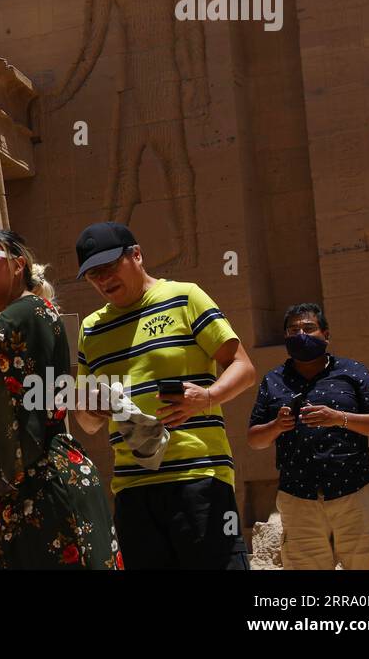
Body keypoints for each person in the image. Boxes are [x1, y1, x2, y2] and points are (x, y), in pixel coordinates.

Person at [0, 229, 122, 569]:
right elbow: (23, 410)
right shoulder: (10, 324)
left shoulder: (30, 311)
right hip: (11, 490)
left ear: (18, 265)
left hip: (44, 484)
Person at [73, 221, 258, 569]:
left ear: (137, 255)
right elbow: (86, 423)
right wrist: (91, 410)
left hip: (198, 480)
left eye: (110, 267)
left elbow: (243, 368)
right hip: (131, 489)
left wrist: (207, 396)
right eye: (93, 274)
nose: (103, 279)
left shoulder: (185, 297)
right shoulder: (90, 329)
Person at [247, 302, 369, 569]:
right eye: (293, 330)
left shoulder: (354, 371)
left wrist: (339, 418)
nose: (300, 334)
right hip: (298, 499)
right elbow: (255, 439)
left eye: (309, 328)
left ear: (326, 335)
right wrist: (277, 426)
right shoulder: (273, 380)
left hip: (354, 494)